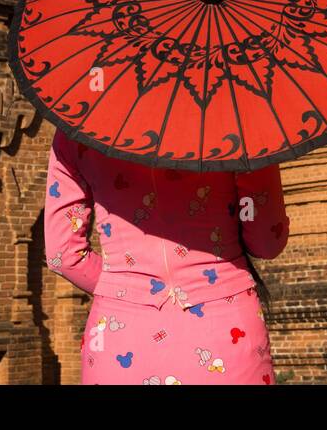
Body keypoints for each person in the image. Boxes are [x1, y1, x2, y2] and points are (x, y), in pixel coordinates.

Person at [44, 127, 289, 385]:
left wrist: (124, 285)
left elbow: (64, 255)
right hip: (225, 329)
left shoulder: (78, 127)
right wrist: (251, 171)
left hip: (117, 334)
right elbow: (266, 242)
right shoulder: (238, 124)